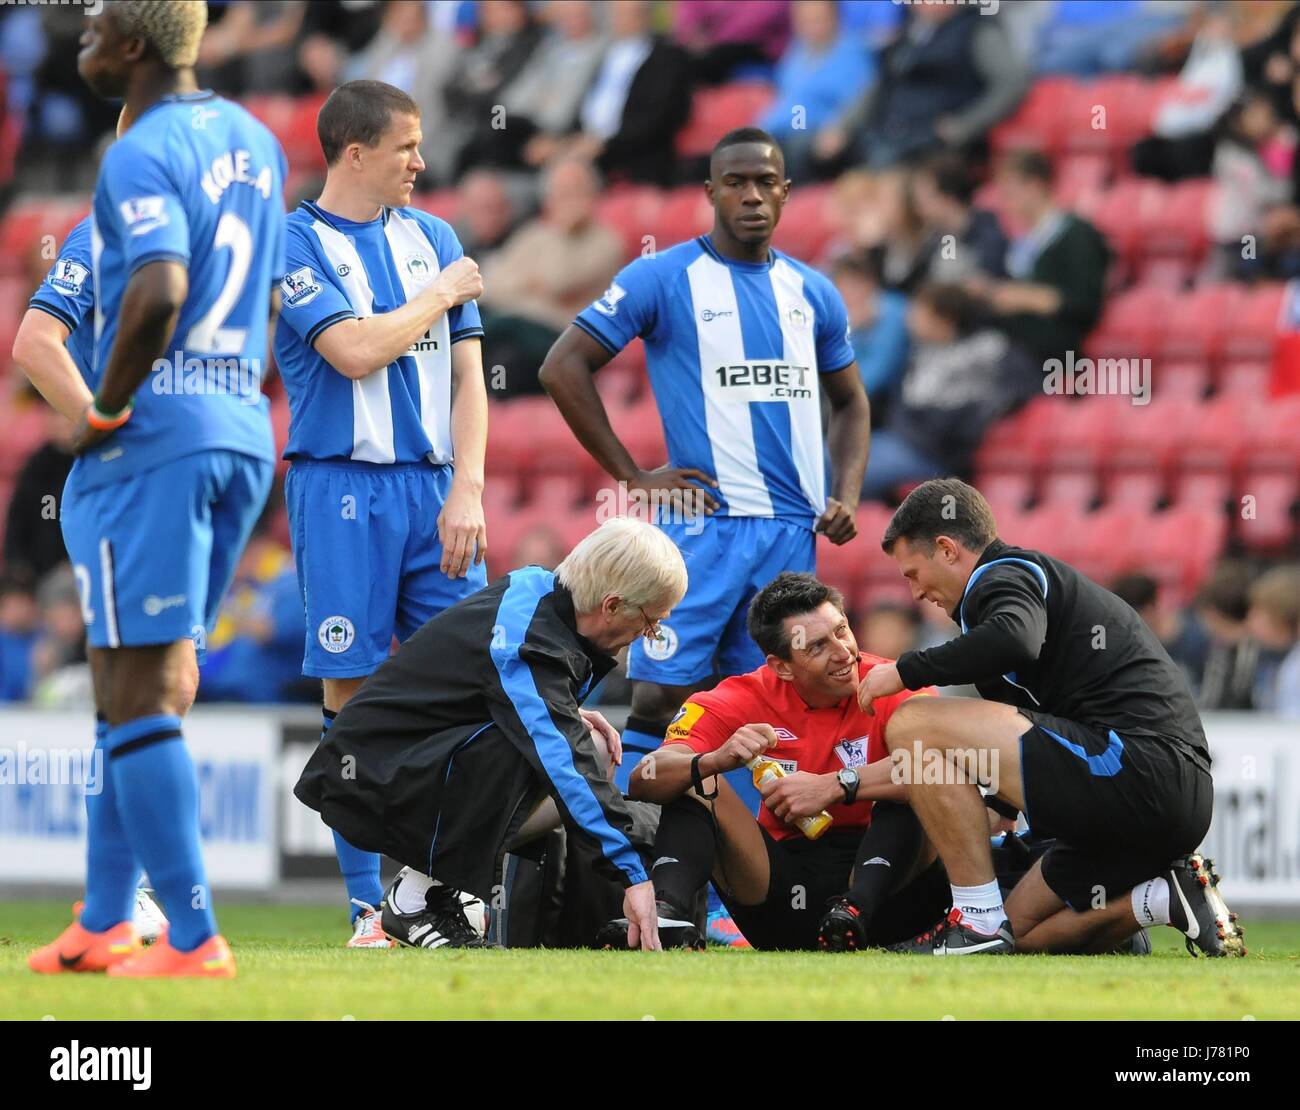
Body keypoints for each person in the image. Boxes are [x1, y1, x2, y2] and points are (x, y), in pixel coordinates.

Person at [28, 0, 287, 978]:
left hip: (158, 439)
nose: (81, 42)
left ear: (134, 46)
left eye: (93, 30)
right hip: (239, 428)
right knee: (144, 685)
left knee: (135, 689)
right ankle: (104, 919)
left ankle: (188, 934)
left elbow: (161, 290)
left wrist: (106, 408)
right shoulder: (257, 141)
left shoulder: (136, 153)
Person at [538, 127, 870, 809]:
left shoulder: (813, 292)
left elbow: (852, 402)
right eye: (737, 182)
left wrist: (847, 494)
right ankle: (638, 870)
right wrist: (631, 475)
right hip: (701, 528)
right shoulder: (662, 277)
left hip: (788, 540)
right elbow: (561, 364)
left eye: (765, 182)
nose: (752, 195)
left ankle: (741, 905)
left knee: (771, 712)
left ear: (785, 191)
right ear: (711, 193)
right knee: (662, 698)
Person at [273, 79, 489, 947]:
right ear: (355, 151)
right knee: (352, 694)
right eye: (407, 147)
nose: (421, 163)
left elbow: (469, 380)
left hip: (435, 491)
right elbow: (355, 351)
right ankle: (368, 905)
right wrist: (439, 294)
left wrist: (469, 487)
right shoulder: (294, 242)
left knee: (481, 681)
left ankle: (441, 889)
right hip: (340, 490)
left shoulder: (432, 235)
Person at [858, 479, 1244, 957]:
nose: (914, 592)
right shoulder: (1008, 598)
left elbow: (1016, 639)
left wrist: (905, 670)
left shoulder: (1003, 575)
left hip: (1138, 770)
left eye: (913, 573)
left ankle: (974, 923)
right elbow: (1032, 716)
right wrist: (1004, 800)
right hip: (1158, 801)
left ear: (947, 548)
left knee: (913, 723)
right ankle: (1162, 898)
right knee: (1019, 936)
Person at [295, 518, 688, 951]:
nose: (646, 636)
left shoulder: (541, 593)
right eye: (649, 622)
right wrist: (632, 875)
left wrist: (567, 711)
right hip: (371, 780)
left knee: (581, 744)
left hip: (392, 765)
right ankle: (415, 898)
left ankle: (436, 889)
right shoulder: (529, 642)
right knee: (576, 754)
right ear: (611, 606)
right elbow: (564, 762)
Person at [604, 572, 950, 951]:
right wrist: (715, 759)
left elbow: (945, 770)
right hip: (787, 896)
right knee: (696, 780)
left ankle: (854, 910)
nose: (843, 652)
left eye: (842, 630)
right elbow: (644, 780)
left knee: (913, 783)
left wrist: (835, 785)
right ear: (781, 666)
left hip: (892, 894)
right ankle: (667, 915)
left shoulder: (893, 681)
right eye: (817, 646)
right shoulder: (739, 697)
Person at [968, 150, 1110, 368]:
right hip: (1017, 343)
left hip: (1054, 352)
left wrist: (1025, 297)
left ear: (1035, 186)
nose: (1006, 203)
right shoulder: (1023, 239)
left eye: (1010, 194)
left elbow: (1085, 302)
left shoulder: (1076, 233)